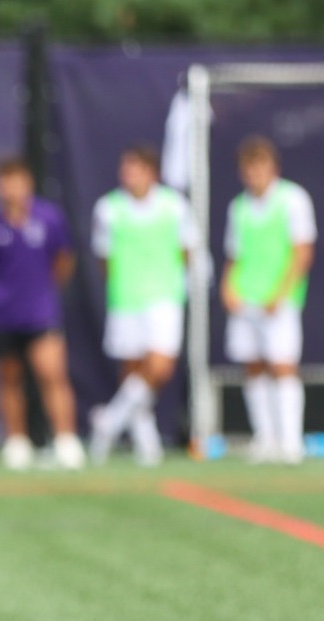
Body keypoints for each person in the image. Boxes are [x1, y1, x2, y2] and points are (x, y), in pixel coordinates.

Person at [88, 144, 201, 466]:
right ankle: (147, 447)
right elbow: (104, 258)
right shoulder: (108, 208)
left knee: (159, 366)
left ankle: (109, 420)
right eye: (126, 169)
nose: (129, 176)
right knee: (133, 372)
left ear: (152, 173)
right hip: (126, 300)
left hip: (164, 298)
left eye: (135, 169)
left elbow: (187, 251)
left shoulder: (174, 206)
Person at [0, 155, 84, 471]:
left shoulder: (49, 219)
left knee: (53, 374)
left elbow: (62, 262)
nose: (11, 188)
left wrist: (40, 292)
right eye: (5, 181)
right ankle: (17, 443)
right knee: (9, 378)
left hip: (41, 313)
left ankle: (66, 442)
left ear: (29, 183)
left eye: (17, 180)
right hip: (3, 315)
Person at [223, 135, 315, 465]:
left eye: (260, 166)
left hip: (278, 301)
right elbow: (234, 255)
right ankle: (266, 439)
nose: (254, 174)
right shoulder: (239, 206)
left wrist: (281, 293)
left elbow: (302, 251)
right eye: (248, 168)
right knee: (253, 365)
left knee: (282, 364)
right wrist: (228, 287)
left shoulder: (293, 199)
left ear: (272, 167)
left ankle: (291, 443)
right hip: (246, 298)